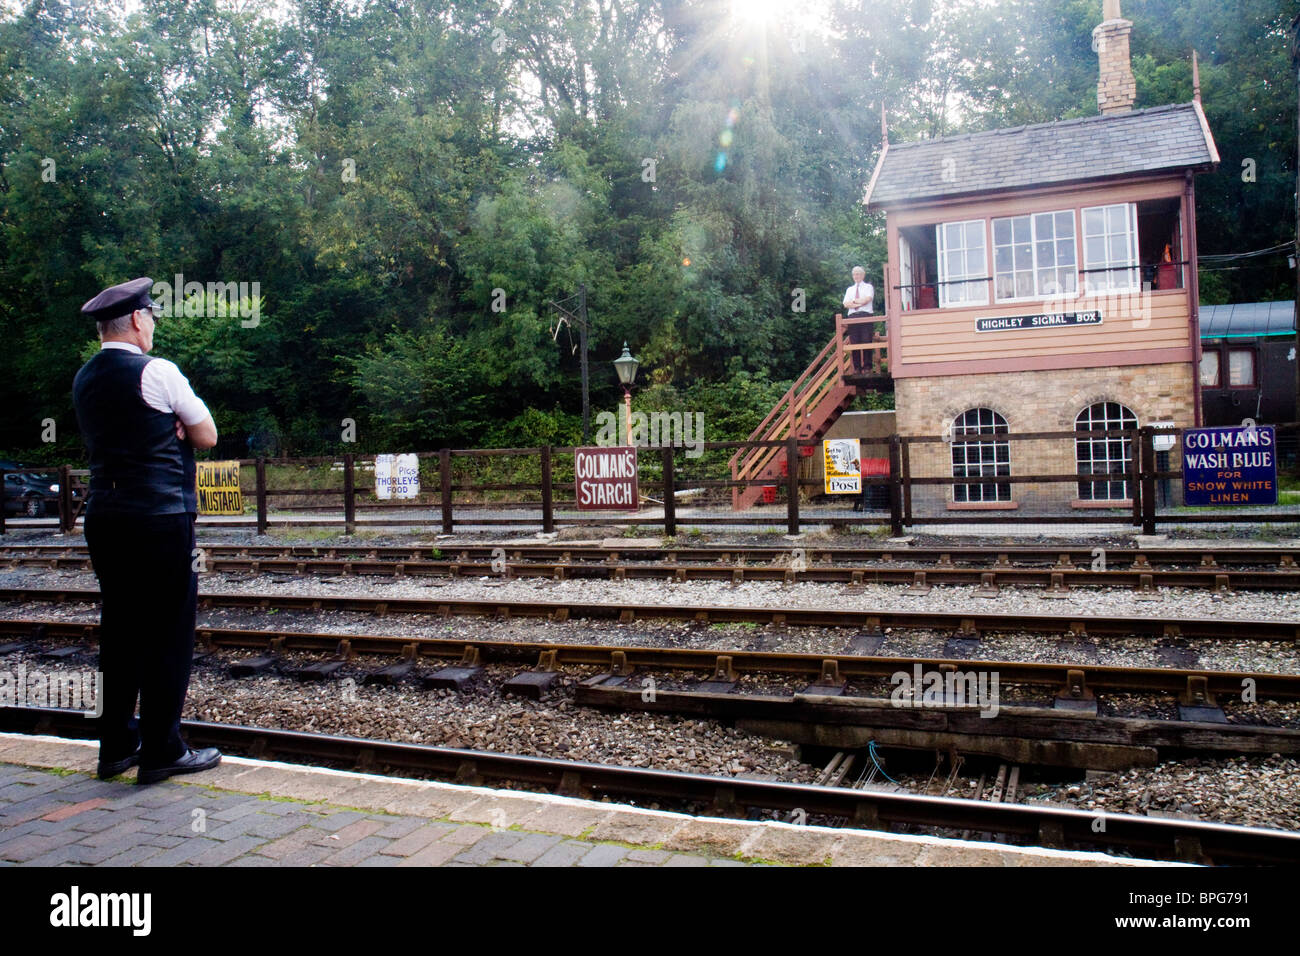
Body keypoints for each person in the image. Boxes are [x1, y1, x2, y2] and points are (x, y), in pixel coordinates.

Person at [72, 277, 223, 785]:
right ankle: (163, 750)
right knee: (168, 633)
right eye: (152, 316)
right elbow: (206, 434)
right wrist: (173, 427)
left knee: (119, 631)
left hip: (104, 517)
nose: (153, 324)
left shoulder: (84, 378)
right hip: (158, 518)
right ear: (137, 319)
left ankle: (115, 745)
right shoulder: (158, 371)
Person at [841, 266, 878, 374]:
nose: (856, 276)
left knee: (866, 340)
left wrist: (854, 302)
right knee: (854, 342)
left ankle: (867, 367)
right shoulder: (849, 289)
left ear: (863, 275)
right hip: (852, 316)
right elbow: (845, 304)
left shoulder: (868, 287)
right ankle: (857, 368)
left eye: (858, 274)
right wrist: (858, 302)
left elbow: (867, 299)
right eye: (854, 274)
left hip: (866, 315)